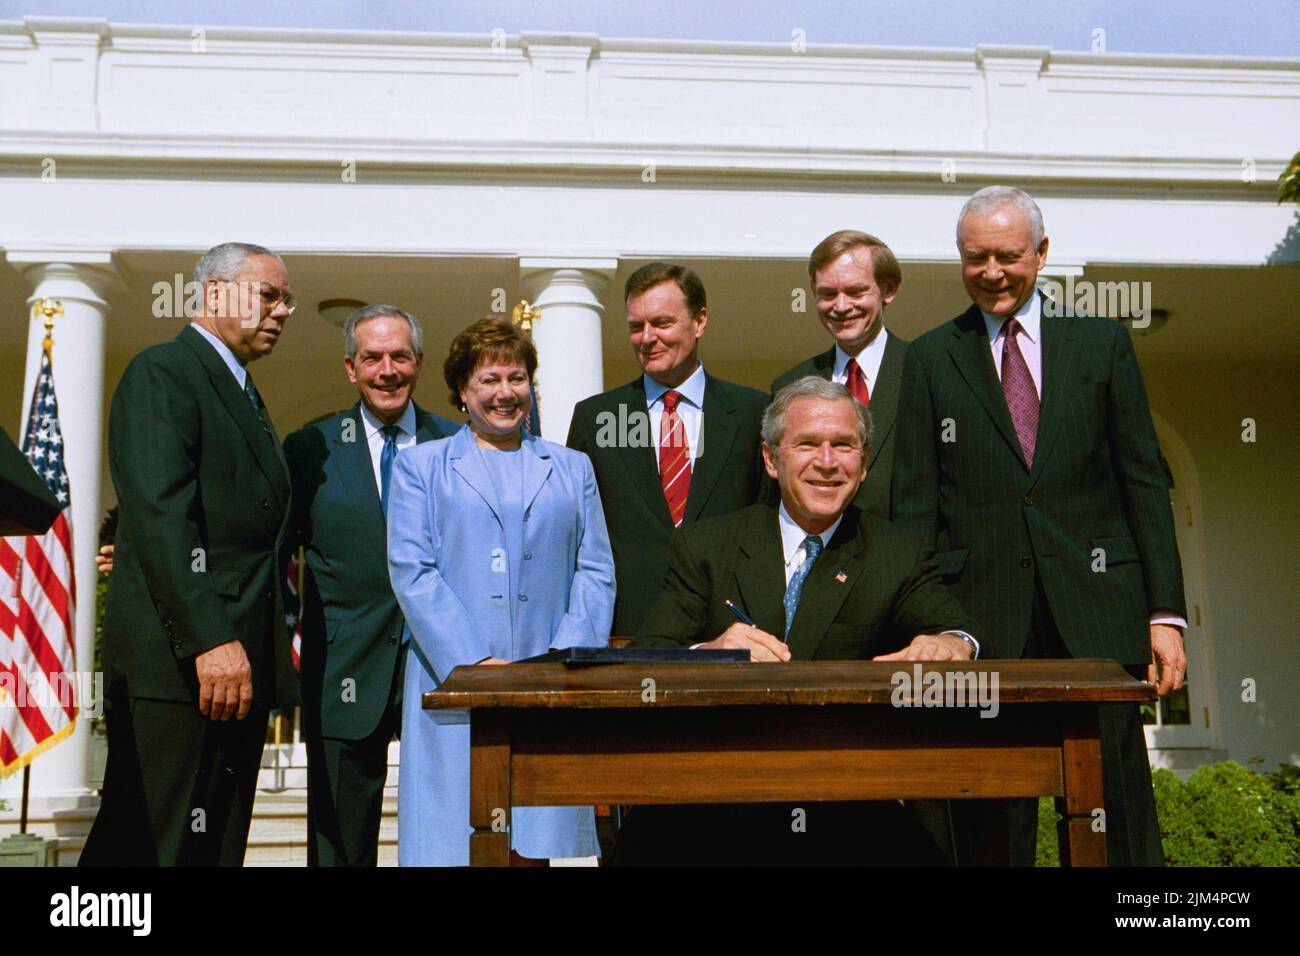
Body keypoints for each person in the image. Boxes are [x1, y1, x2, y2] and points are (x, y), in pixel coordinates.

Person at [891, 185, 1187, 866]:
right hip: (981, 618)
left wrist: (1165, 611)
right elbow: (914, 508)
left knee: (1114, 805)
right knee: (994, 809)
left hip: (1100, 608)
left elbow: (1142, 479)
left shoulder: (1103, 343)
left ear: (1042, 254)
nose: (991, 271)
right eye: (975, 258)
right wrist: (925, 621)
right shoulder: (932, 358)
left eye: (1006, 255)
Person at [620, 376, 979, 865]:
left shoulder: (897, 553)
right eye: (808, 444)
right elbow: (648, 660)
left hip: (845, 809)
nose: (827, 462)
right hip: (715, 807)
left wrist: (951, 645)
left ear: (864, 463)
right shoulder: (706, 546)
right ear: (771, 459)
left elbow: (959, 631)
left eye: (844, 446)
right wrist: (708, 655)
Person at [81, 242, 298, 866]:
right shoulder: (164, 373)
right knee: (144, 845)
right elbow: (159, 517)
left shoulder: (242, 393)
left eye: (287, 299)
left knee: (212, 845)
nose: (284, 311)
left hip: (236, 668)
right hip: (183, 668)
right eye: (270, 295)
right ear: (213, 294)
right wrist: (209, 638)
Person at [387, 317, 615, 866]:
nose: (505, 393)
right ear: (462, 391)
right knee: (459, 841)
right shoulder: (421, 466)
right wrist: (472, 662)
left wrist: (563, 658)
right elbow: (412, 571)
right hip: (454, 682)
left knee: (534, 837)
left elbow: (596, 569)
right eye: (488, 380)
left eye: (517, 378)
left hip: (547, 680)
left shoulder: (572, 467)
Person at [281, 304, 458, 866]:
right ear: (350, 368)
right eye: (372, 358)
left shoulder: (457, 444)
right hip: (343, 672)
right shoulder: (311, 448)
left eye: (399, 356)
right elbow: (273, 554)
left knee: (450, 832)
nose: (387, 370)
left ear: (419, 363)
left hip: (439, 670)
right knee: (340, 845)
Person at [567, 262, 768, 637]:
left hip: (731, 629)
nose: (647, 338)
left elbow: (767, 524)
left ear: (700, 321)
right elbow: (577, 534)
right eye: (635, 326)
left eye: (661, 323)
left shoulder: (753, 412)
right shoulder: (597, 418)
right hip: (627, 631)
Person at [772, 230, 908, 518]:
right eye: (828, 294)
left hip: (904, 554)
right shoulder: (789, 385)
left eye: (856, 291)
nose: (842, 306)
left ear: (889, 290)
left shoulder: (924, 371)